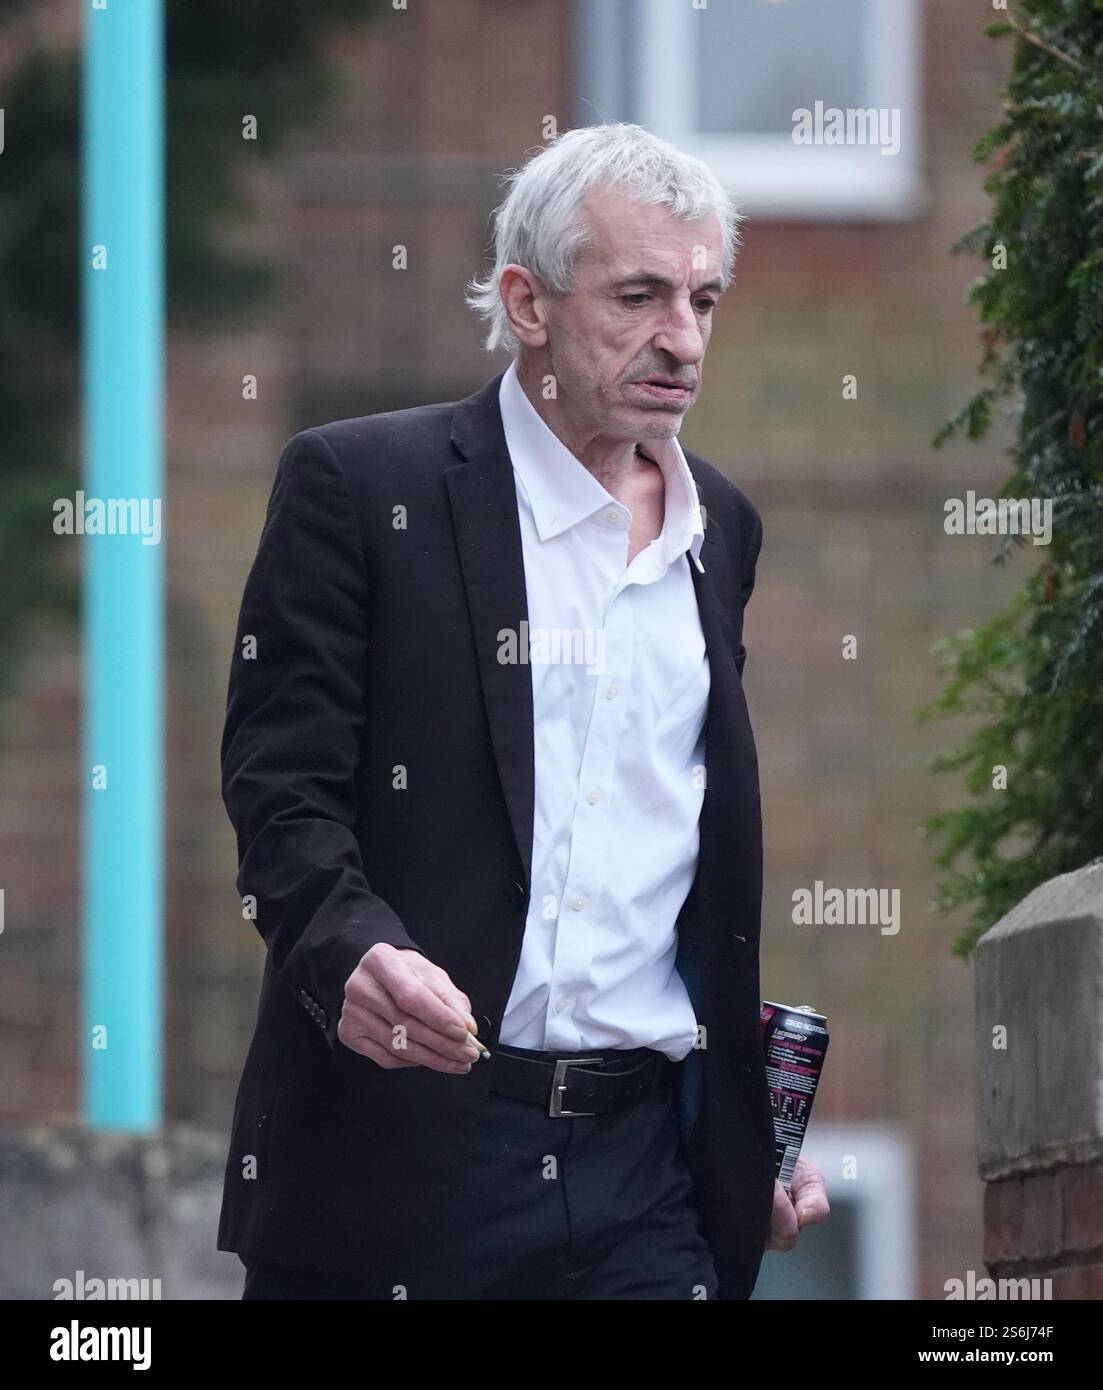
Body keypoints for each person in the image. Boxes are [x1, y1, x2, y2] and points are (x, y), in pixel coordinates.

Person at [218, 121, 829, 1301]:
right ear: (526, 302)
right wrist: (350, 951)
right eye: (640, 295)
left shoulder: (724, 534)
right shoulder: (360, 489)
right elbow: (279, 791)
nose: (682, 339)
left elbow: (663, 854)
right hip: (406, 1153)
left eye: (705, 298)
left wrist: (732, 1130)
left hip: (642, 1173)